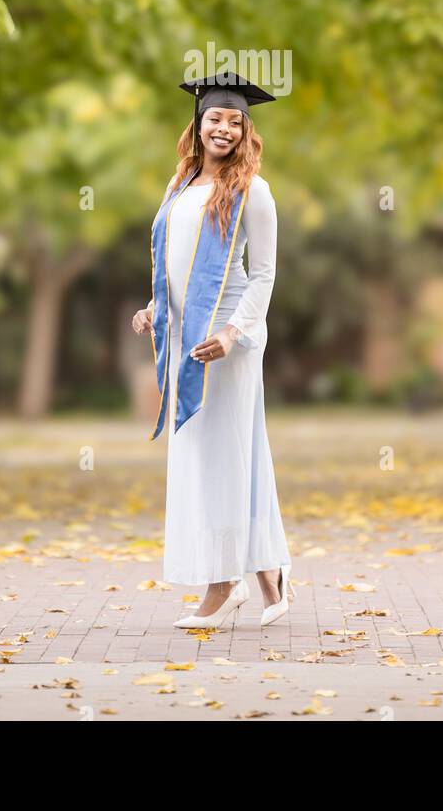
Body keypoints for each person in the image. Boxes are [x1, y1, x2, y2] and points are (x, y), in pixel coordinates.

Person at [132, 71, 294, 629]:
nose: (222, 128)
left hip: (227, 338)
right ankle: (267, 575)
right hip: (184, 337)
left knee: (226, 457)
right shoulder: (180, 186)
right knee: (212, 458)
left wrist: (234, 334)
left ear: (246, 130)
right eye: (214, 118)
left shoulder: (255, 190)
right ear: (197, 125)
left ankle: (223, 583)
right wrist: (155, 309)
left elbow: (265, 274)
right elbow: (173, 262)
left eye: (234, 120)